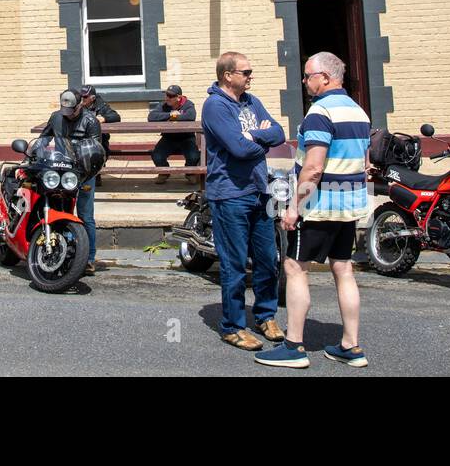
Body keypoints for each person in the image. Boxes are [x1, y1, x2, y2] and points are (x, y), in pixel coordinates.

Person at [259, 52, 370, 370]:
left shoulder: (319, 113)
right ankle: (351, 345)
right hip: (349, 204)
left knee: (295, 268)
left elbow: (313, 169)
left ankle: (293, 346)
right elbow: (364, 164)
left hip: (319, 206)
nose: (305, 81)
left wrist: (295, 208)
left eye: (308, 75)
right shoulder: (358, 111)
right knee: (343, 269)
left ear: (325, 77)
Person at [201, 51, 287, 351]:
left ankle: (266, 315)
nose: (251, 76)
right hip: (229, 194)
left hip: (259, 191)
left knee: (267, 259)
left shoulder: (252, 101)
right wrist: (257, 140)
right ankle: (233, 326)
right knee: (234, 263)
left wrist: (253, 137)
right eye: (246, 72)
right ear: (228, 75)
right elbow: (238, 149)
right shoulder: (215, 106)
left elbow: (279, 134)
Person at [35, 89, 104, 276]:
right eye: (65, 110)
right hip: (61, 169)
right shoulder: (56, 117)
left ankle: (89, 258)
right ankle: (64, 252)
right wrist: (33, 152)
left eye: (72, 110)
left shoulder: (91, 121)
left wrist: (87, 172)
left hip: (84, 172)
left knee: (85, 215)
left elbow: (97, 151)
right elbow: (43, 139)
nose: (68, 115)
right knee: (60, 211)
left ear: (80, 104)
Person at [149, 84, 198, 181]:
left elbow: (190, 116)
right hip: (169, 137)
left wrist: (172, 117)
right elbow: (151, 117)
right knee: (156, 155)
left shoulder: (188, 104)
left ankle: (190, 173)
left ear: (178, 98)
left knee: (194, 156)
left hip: (186, 137)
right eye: (166, 95)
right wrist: (171, 114)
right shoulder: (163, 105)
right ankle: (164, 172)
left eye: (170, 96)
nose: (167, 98)